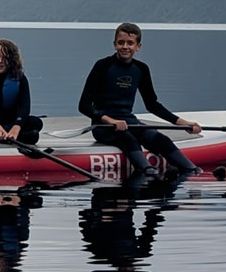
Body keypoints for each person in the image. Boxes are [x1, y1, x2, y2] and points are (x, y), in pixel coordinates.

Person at [77, 22, 203, 178]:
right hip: (103, 126)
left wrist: (183, 123)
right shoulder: (103, 66)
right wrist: (111, 121)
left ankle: (193, 171)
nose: (125, 46)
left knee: (160, 139)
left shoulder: (141, 69)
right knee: (128, 138)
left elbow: (152, 105)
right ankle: (149, 173)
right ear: (114, 44)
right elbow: (84, 106)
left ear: (138, 46)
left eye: (130, 43)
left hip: (130, 122)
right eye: (121, 42)